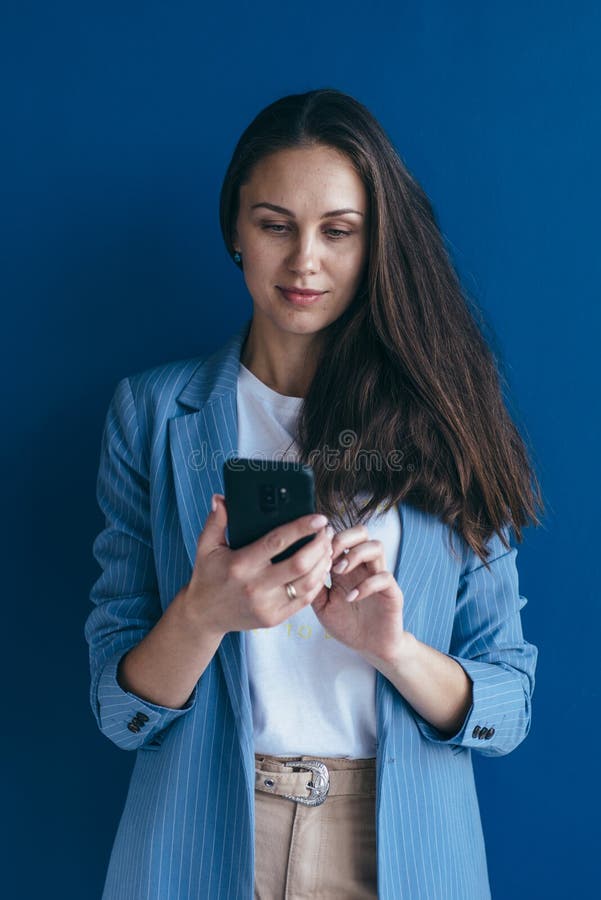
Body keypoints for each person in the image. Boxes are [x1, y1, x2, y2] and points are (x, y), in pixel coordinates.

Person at [85, 87, 542, 900]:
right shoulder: (152, 414)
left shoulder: (447, 420)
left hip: (397, 849)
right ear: (234, 230)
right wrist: (204, 613)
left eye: (338, 232)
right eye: (274, 225)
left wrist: (390, 648)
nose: (304, 261)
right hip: (201, 839)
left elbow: (506, 708)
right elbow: (120, 715)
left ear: (375, 244)